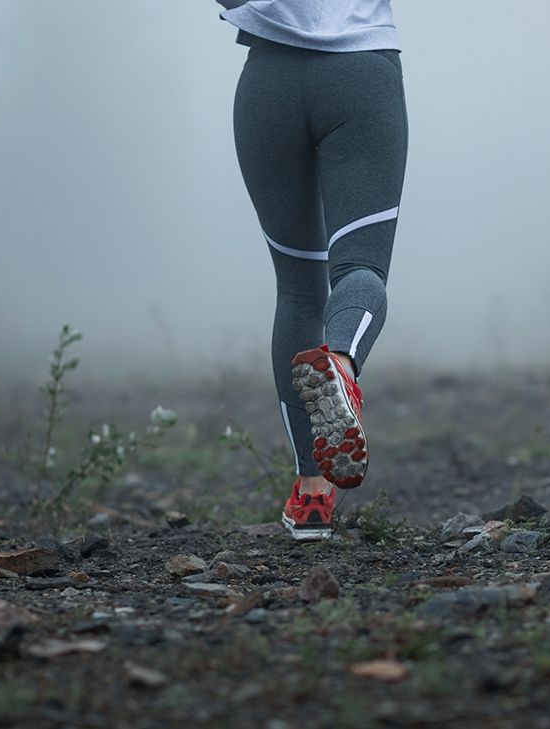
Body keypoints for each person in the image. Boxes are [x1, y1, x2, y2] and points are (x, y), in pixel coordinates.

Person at [215, 0, 408, 540]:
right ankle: (341, 366)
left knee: (298, 290)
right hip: (362, 76)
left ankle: (312, 496)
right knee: (359, 268)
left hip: (268, 85)